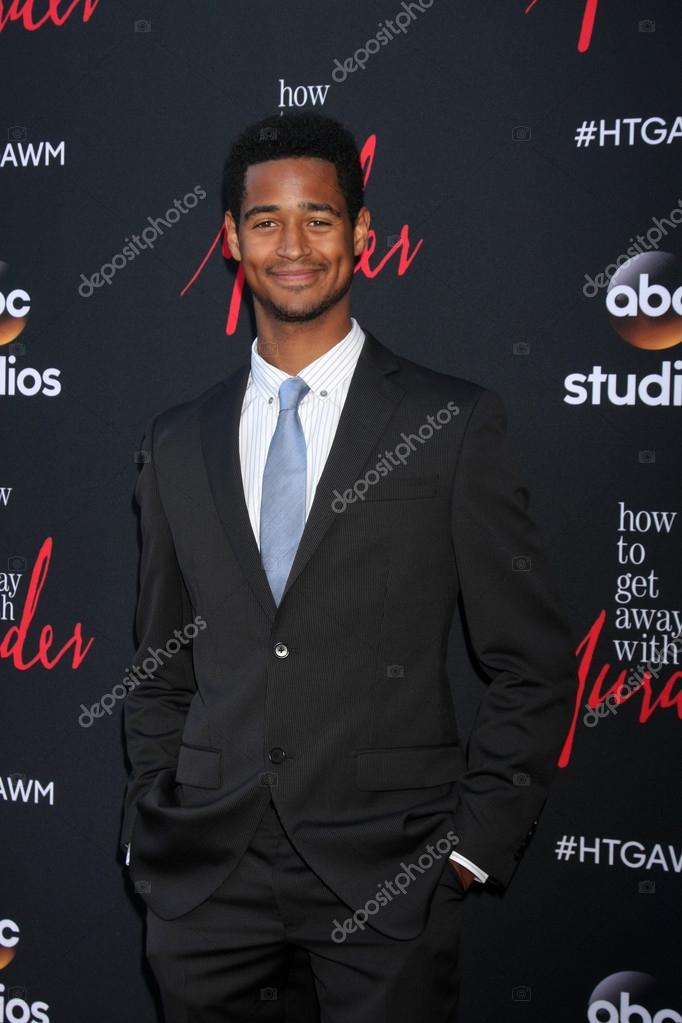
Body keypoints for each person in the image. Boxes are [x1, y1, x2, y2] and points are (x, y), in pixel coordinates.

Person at [120, 111, 577, 1022]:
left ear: (362, 235)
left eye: (319, 219)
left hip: (391, 877)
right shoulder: (176, 441)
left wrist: (470, 847)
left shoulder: (451, 424)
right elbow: (160, 664)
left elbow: (530, 663)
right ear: (230, 241)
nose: (293, 245)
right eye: (266, 221)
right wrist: (148, 819)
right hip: (207, 878)